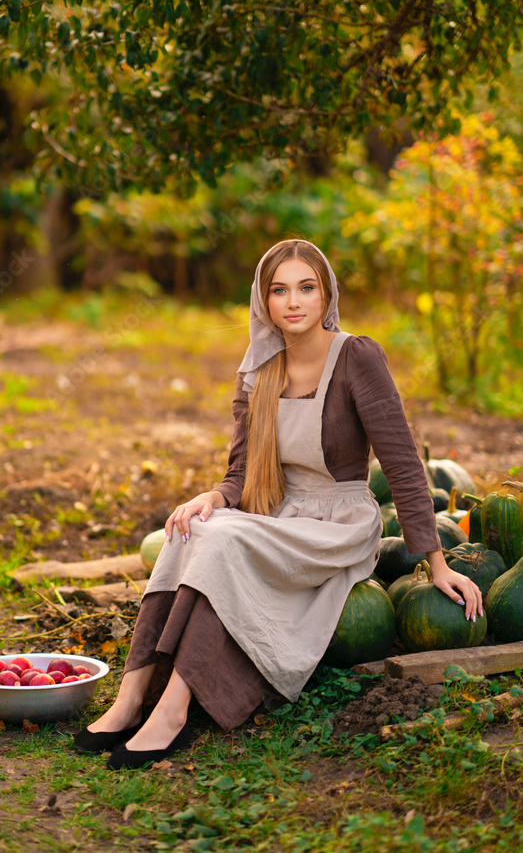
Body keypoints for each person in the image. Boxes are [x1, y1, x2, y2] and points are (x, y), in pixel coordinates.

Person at [73, 238, 483, 770]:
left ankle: (173, 710)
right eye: (280, 290)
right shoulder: (260, 373)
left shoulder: (357, 357)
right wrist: (213, 496)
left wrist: (436, 562)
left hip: (337, 523)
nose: (294, 302)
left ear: (326, 293)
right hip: (277, 515)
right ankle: (131, 698)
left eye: (306, 288)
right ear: (263, 302)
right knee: (193, 529)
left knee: (221, 536)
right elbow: (241, 473)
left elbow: (403, 463)